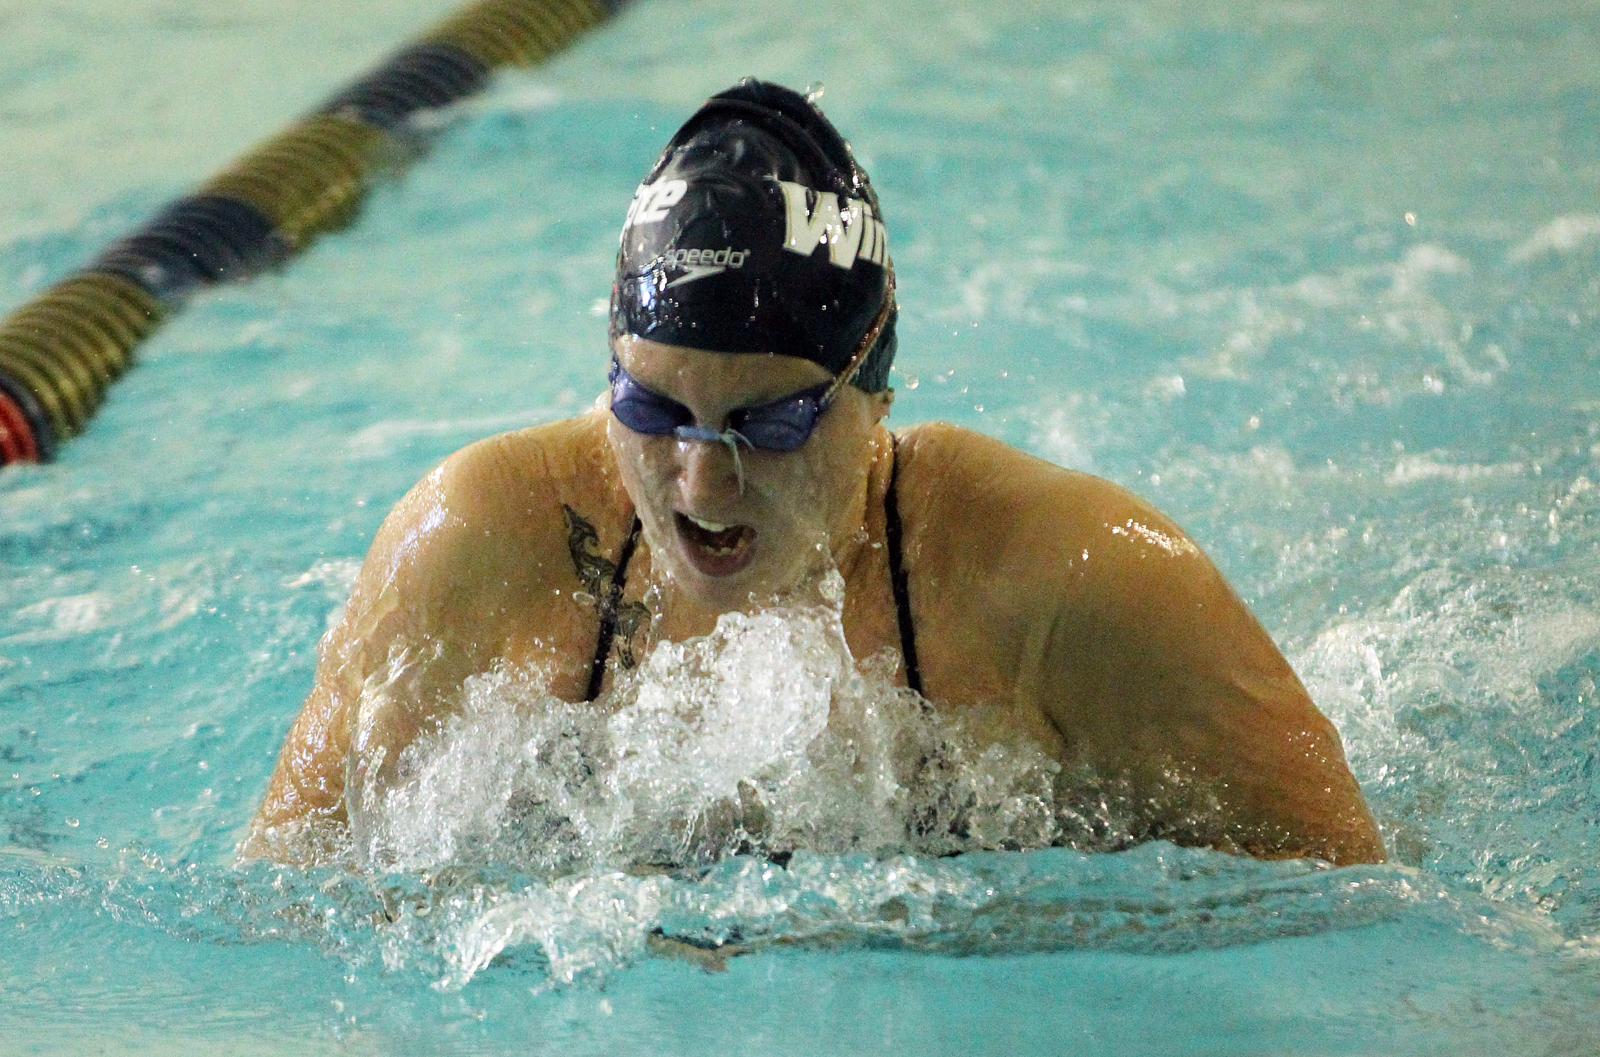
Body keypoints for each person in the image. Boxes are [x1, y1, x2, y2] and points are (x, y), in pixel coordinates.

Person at [244, 80, 1384, 866]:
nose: (697, 484)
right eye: (652, 408)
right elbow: (292, 903)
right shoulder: (474, 544)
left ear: (873, 392)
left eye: (766, 421)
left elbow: (1350, 909)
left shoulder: (1072, 584)